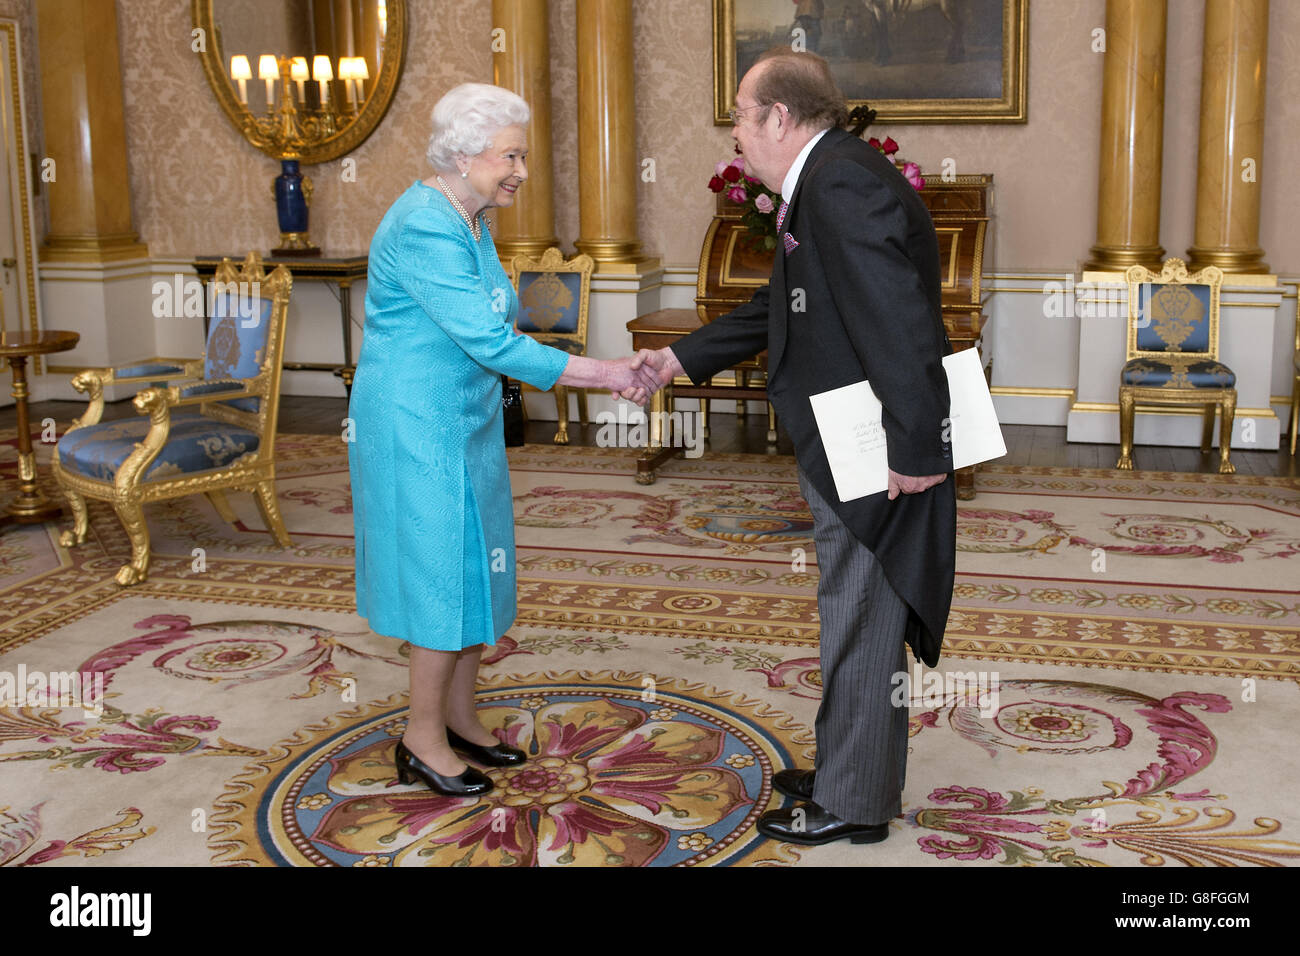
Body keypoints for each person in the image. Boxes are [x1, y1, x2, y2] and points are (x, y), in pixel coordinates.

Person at [636, 50, 956, 845]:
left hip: (873, 439)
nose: (736, 134)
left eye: (741, 115)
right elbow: (782, 305)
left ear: (780, 117)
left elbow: (899, 320)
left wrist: (917, 448)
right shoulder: (824, 181)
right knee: (852, 608)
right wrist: (676, 359)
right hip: (851, 430)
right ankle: (851, 768)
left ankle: (854, 802)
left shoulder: (839, 185)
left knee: (859, 611)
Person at [348, 82, 658, 798]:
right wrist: (607, 373)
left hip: (465, 417)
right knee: (438, 573)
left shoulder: (472, 217)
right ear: (462, 154)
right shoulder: (426, 223)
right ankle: (420, 739)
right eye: (509, 155)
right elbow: (493, 340)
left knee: (473, 565)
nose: (521, 170)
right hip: (415, 422)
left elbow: (496, 332)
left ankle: (459, 716)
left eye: (523, 155)